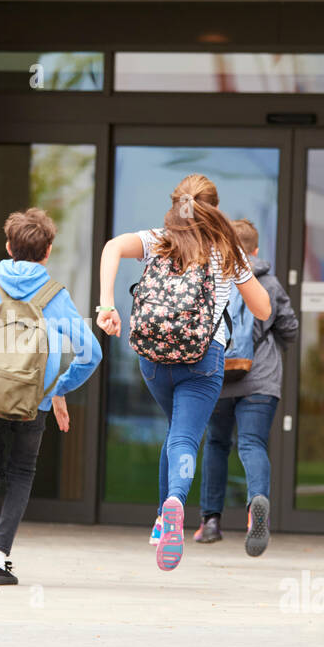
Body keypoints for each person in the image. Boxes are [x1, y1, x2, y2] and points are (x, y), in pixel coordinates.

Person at [97, 174, 271, 572]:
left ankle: (162, 519)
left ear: (176, 203)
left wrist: (106, 305)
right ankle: (175, 501)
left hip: (153, 355)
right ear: (214, 207)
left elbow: (112, 247)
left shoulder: (159, 238)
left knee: (176, 431)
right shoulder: (228, 250)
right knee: (185, 438)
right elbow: (262, 310)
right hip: (203, 356)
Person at [0, 207, 103, 586]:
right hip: (33, 400)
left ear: (8, 246)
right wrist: (59, 387)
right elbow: (91, 352)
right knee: (23, 472)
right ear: (48, 252)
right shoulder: (54, 295)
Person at [194, 218, 298, 556]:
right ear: (254, 249)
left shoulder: (214, 277)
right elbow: (291, 330)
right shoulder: (269, 282)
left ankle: (210, 521)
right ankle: (256, 508)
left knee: (217, 444)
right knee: (252, 444)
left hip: (219, 376)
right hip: (261, 378)